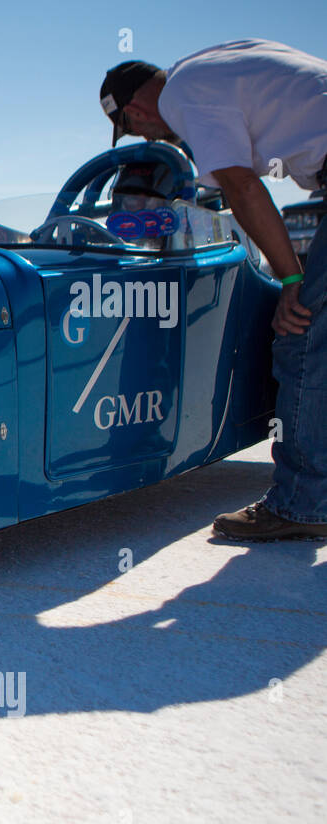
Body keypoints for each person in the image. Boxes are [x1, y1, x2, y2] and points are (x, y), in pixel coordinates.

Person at [100, 39, 327, 540]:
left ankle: (304, 505)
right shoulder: (215, 64)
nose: (142, 133)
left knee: (303, 338)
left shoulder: (185, 94)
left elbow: (242, 186)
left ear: (135, 110)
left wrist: (291, 280)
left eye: (133, 126)